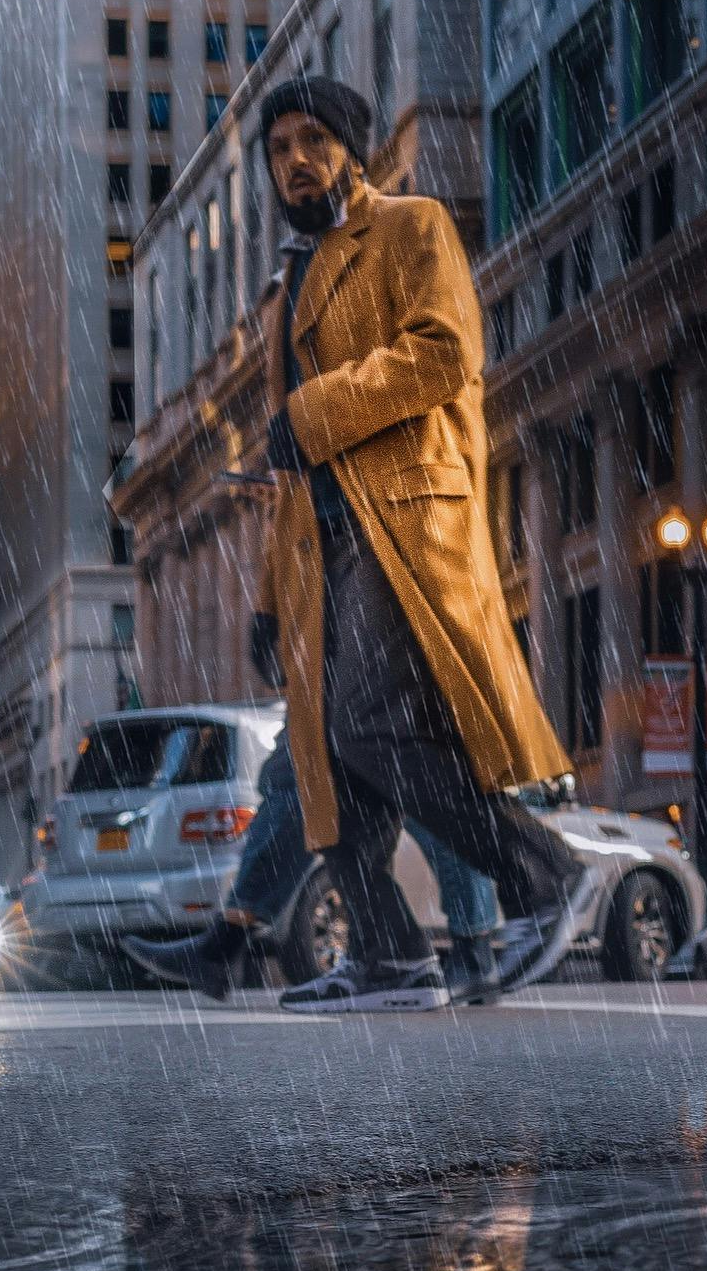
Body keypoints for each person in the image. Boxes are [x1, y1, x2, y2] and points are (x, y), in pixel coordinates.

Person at [236, 75, 602, 1011]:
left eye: (314, 139)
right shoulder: (292, 284)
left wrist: (316, 408)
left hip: (403, 520)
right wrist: (270, 603)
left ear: (352, 147)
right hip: (321, 546)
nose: (296, 160)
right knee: (325, 754)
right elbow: (288, 464)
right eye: (279, 149)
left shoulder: (412, 227)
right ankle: (391, 954)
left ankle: (544, 873)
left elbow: (446, 352)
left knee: (366, 725)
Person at [130, 723, 501, 996]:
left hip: (360, 642)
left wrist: (273, 624)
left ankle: (420, 954)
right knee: (408, 780)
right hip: (353, 643)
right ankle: (433, 953)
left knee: (309, 769)